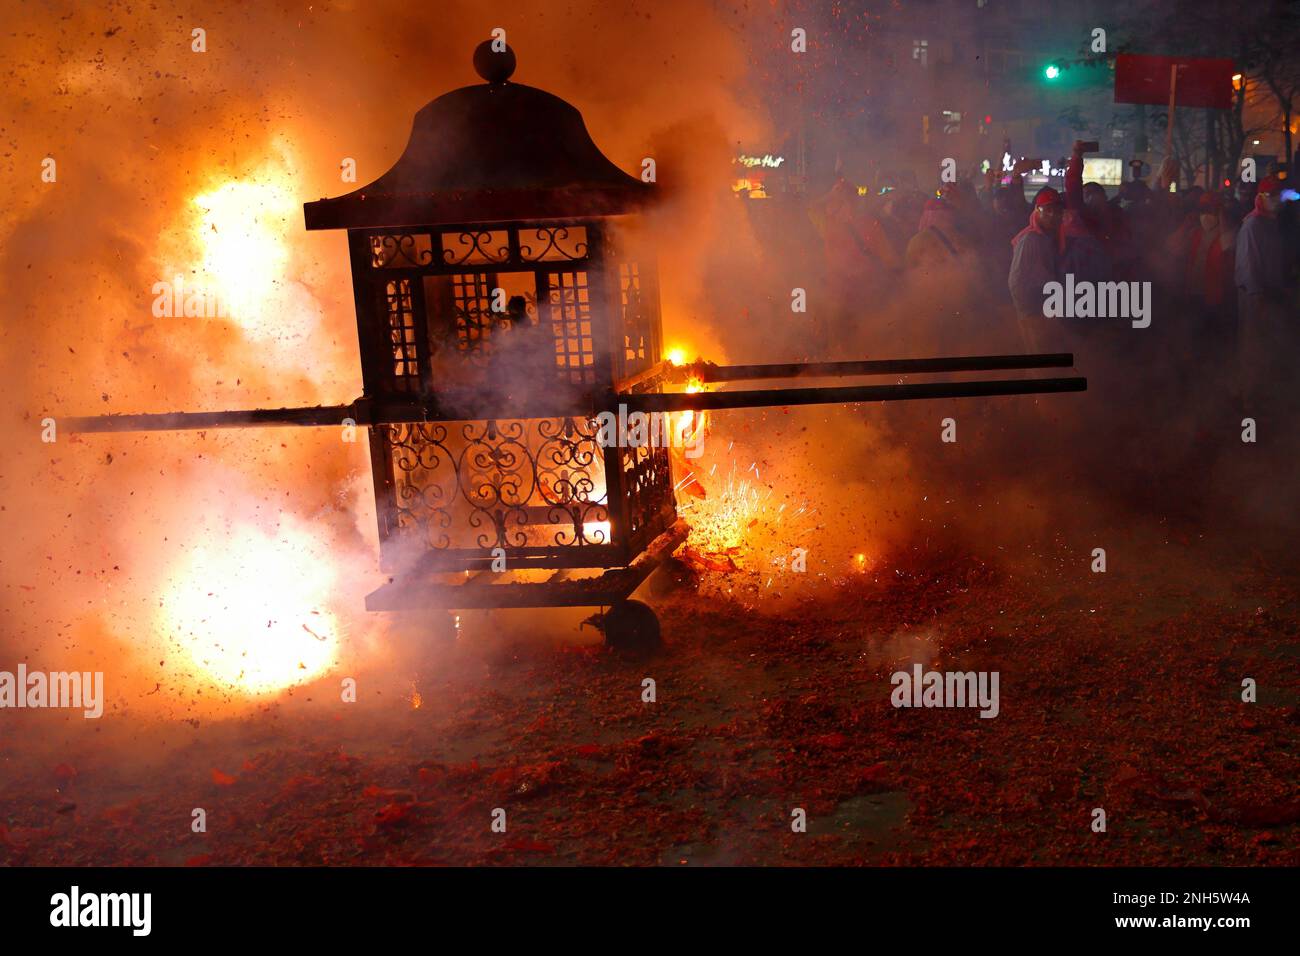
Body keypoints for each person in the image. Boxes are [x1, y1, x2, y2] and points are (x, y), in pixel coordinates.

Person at [1234, 175, 1291, 404]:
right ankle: (1248, 395)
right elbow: (1248, 263)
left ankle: (1262, 391)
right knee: (1252, 344)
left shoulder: (1271, 223)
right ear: (1261, 197)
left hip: (1269, 293)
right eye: (1271, 196)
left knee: (1266, 343)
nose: (1275, 200)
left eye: (1278, 195)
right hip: (1253, 295)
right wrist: (1257, 294)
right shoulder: (1253, 225)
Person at [1008, 187, 1064, 348]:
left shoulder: (1049, 237)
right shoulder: (1031, 239)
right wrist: (1029, 313)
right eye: (1047, 210)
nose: (1052, 215)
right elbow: (1016, 281)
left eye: (1057, 211)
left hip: (1045, 310)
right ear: (1037, 212)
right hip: (1034, 312)